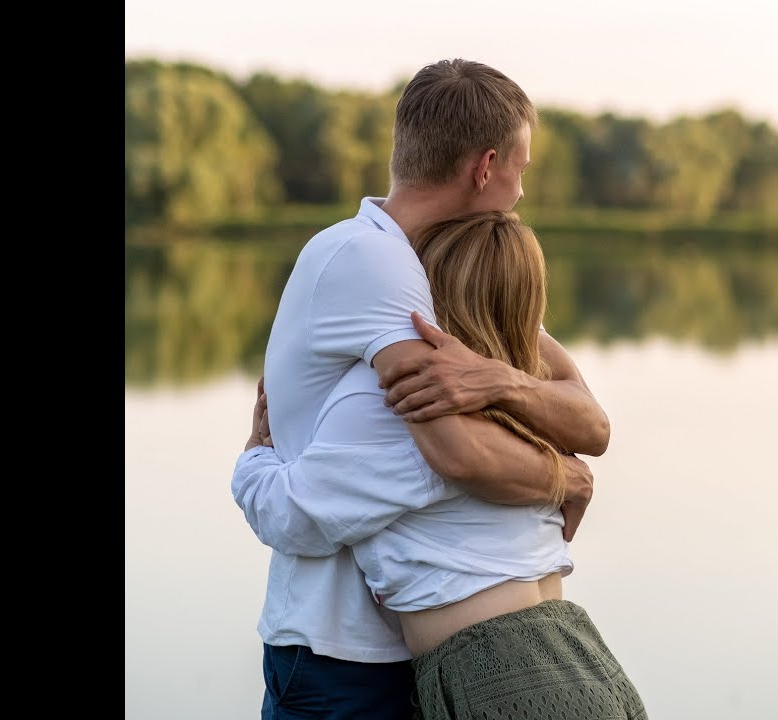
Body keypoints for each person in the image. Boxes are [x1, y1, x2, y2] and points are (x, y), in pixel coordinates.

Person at [232, 59, 610, 720]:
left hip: (428, 652)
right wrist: (565, 479)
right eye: (522, 169)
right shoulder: (372, 260)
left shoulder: (457, 272)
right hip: (343, 655)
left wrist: (503, 381)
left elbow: (590, 420)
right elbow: (455, 452)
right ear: (485, 166)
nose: (521, 192)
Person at [245, 210, 648, 719]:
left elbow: (292, 515)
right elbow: (592, 423)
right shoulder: (536, 408)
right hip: (586, 666)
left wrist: (256, 452)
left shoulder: (402, 407)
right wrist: (563, 473)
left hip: (504, 687)